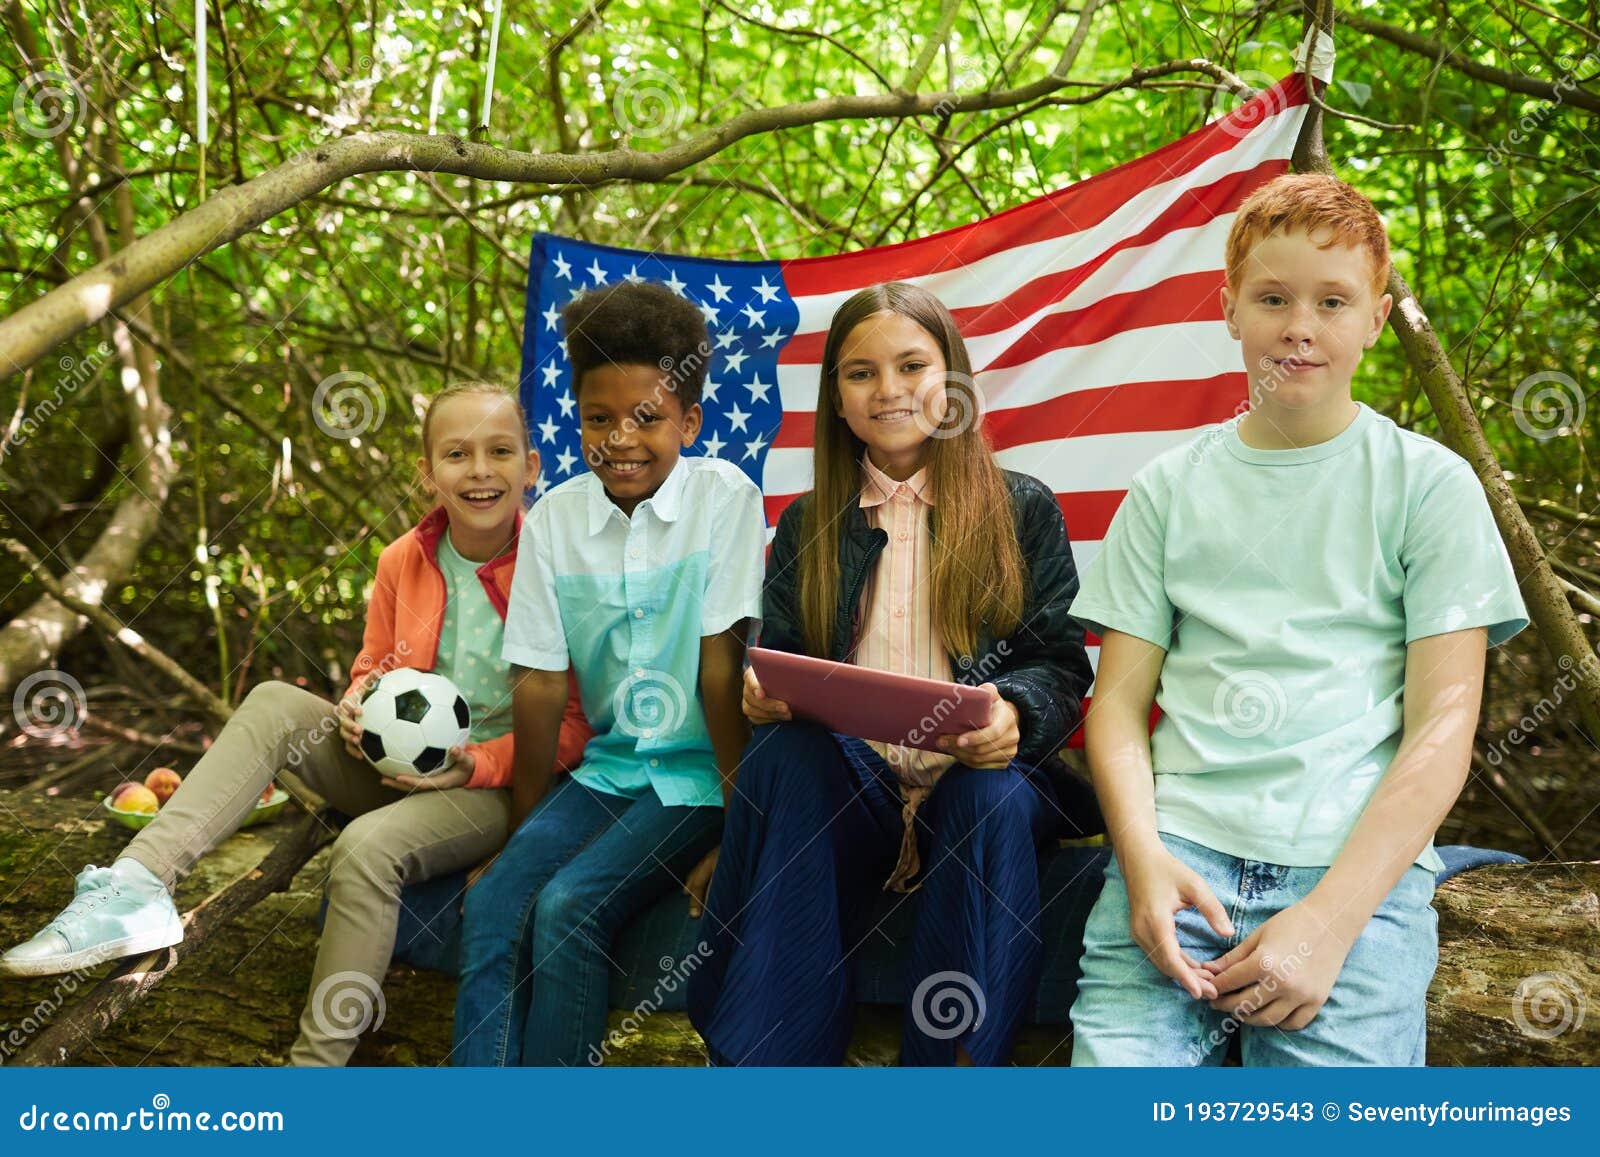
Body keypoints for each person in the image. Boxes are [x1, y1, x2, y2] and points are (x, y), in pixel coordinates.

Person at [1066, 173, 1529, 1066]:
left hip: (1353, 876)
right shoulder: (1167, 489)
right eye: (1273, 298)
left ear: (1377, 317)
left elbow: (1443, 725)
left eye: (1333, 301)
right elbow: (1116, 707)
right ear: (1230, 309)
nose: (1300, 327)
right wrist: (1141, 858)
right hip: (1178, 860)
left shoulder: (1429, 486)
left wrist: (1330, 917)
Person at [0, 381, 590, 1066]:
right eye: (457, 453)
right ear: (427, 472)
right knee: (276, 702)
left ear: (532, 466)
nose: (480, 470)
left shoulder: (557, 568)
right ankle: (134, 887)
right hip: (389, 768)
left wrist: (478, 765)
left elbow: (575, 726)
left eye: (500, 451)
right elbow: (374, 665)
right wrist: (359, 704)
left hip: (489, 789)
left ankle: (313, 1073)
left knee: (364, 850)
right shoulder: (402, 558)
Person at [686, 281, 1099, 1066]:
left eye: (912, 366)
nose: (888, 390)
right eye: (861, 373)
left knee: (986, 796)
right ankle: (769, 1063)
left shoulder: (1022, 508)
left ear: (953, 382)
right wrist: (765, 696)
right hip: (859, 790)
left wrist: (1014, 711)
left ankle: (953, 1070)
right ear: (837, 399)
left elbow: (1058, 663)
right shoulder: (808, 522)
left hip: (975, 784)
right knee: (785, 754)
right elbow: (786, 655)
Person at [450, 280, 767, 1066]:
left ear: (689, 422)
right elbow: (540, 686)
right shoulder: (555, 520)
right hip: (608, 772)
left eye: (647, 418)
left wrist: (741, 832)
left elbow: (720, 669)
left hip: (699, 776)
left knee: (569, 905)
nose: (621, 438)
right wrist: (524, 837)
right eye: (599, 418)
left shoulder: (724, 498)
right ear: (577, 418)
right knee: (495, 901)